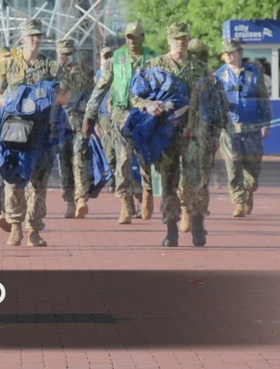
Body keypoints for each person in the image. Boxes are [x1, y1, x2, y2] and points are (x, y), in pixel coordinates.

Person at [0, 18, 64, 246]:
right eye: (31, 36)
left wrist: (42, 100)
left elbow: (66, 96)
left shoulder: (52, 67)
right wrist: (10, 101)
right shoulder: (8, 66)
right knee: (14, 181)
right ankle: (15, 226)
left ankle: (34, 230)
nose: (35, 39)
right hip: (15, 134)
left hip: (42, 135)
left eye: (39, 35)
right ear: (22, 39)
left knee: (39, 185)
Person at [140, 22, 211, 246]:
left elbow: (213, 102)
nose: (180, 44)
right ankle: (171, 229)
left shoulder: (199, 68)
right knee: (169, 182)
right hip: (166, 134)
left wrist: (216, 132)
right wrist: (149, 104)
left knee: (196, 181)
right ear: (168, 41)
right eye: (175, 40)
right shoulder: (155, 66)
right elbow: (137, 96)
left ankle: (198, 223)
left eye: (183, 39)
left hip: (194, 134)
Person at [83, 22, 157, 225]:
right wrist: (89, 115)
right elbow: (101, 86)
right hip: (121, 115)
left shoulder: (154, 57)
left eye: (135, 37)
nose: (131, 41)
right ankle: (125, 203)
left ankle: (147, 192)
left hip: (145, 116)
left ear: (143, 37)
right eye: (128, 37)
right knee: (123, 160)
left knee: (145, 158)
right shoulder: (118, 57)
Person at [216, 39, 272, 217]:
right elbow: (214, 101)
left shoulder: (253, 73)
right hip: (230, 127)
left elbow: (263, 99)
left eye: (232, 52)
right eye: (226, 53)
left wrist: (266, 123)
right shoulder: (219, 75)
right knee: (232, 166)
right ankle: (238, 201)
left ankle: (249, 191)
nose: (229, 56)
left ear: (240, 52)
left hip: (252, 127)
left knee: (253, 169)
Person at [186, 38, 228, 233]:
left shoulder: (212, 79)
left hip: (203, 134)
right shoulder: (180, 74)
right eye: (193, 55)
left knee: (202, 179)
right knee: (183, 179)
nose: (196, 60)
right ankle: (187, 209)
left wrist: (216, 134)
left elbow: (219, 108)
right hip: (182, 134)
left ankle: (198, 218)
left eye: (199, 55)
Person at [55, 38, 95, 219]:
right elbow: (53, 94)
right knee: (64, 163)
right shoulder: (52, 71)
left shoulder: (84, 72)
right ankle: (69, 201)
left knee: (80, 158)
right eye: (62, 54)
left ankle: (81, 199)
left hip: (79, 121)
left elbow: (75, 91)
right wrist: (59, 71)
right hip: (60, 124)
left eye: (68, 54)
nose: (66, 57)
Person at [94, 46, 117, 189]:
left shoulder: (118, 73)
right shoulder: (98, 75)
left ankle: (119, 177)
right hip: (104, 117)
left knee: (120, 149)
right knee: (108, 150)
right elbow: (95, 98)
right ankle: (114, 177)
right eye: (105, 56)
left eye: (110, 56)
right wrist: (96, 121)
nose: (108, 59)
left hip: (118, 115)